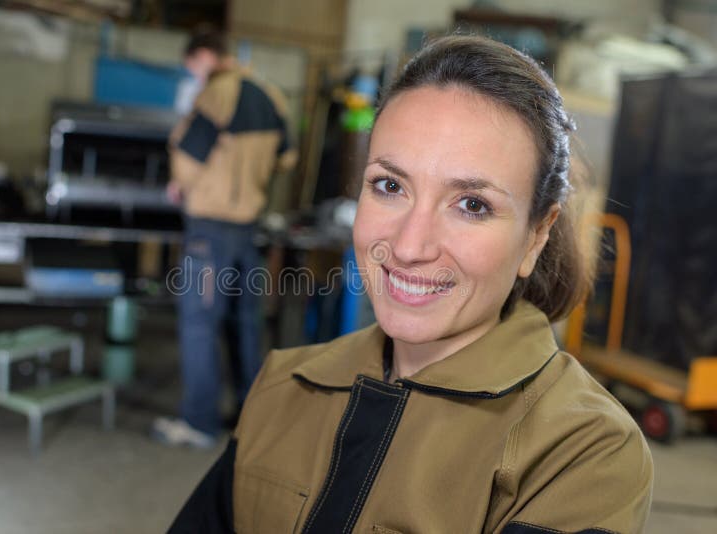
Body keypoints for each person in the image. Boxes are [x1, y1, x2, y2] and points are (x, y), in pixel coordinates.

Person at [167, 35, 653, 533]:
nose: (408, 245)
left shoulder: (582, 452)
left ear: (536, 236)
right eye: (390, 186)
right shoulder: (283, 387)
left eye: (472, 204)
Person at [153, 30, 297, 449]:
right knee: (243, 325)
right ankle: (249, 422)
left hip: (209, 230)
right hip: (246, 228)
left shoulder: (217, 93)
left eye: (192, 67)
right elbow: (286, 157)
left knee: (199, 324)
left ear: (205, 57)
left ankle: (199, 423)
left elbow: (187, 156)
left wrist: (181, 183)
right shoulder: (271, 94)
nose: (193, 75)